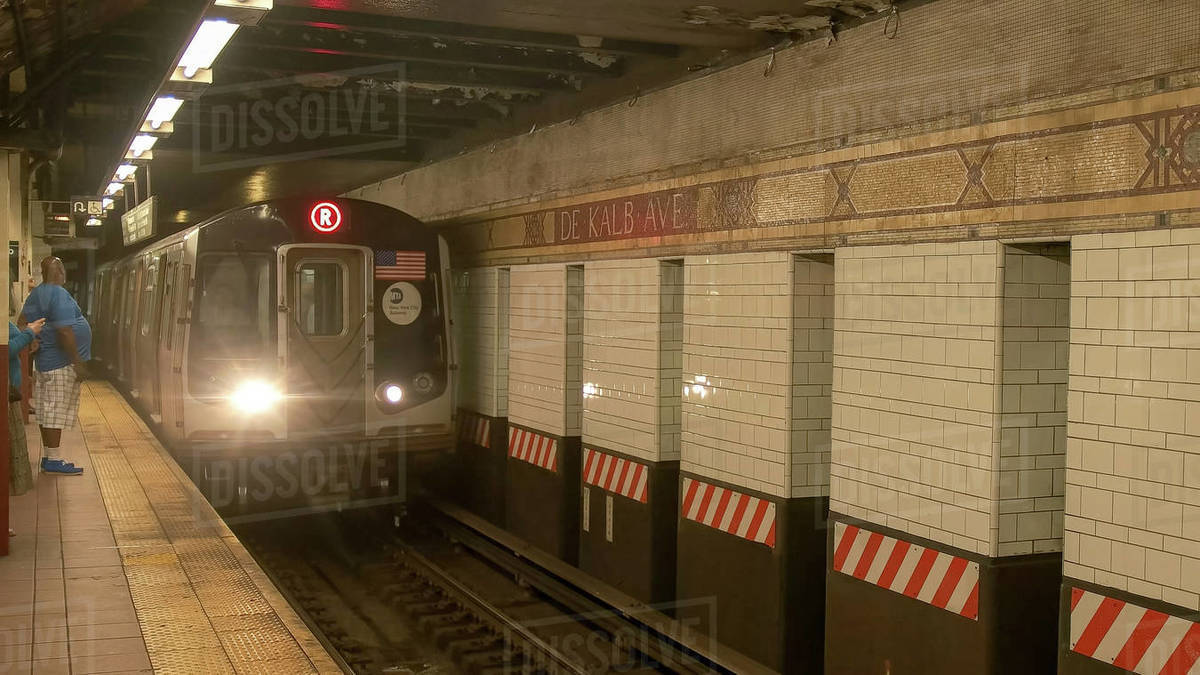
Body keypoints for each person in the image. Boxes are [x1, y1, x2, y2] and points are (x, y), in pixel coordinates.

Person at [20, 256, 91, 476]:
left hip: (46, 362)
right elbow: (65, 331)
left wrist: (31, 338)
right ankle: (54, 460)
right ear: (59, 272)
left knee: (46, 409)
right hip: (60, 363)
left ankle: (50, 457)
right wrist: (77, 362)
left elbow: (21, 321)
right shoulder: (58, 293)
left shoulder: (37, 293)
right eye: (60, 268)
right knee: (54, 411)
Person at [8, 317, 45, 496]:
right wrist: (30, 333)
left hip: (10, 391)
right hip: (6, 393)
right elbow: (7, 349)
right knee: (11, 442)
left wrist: (29, 336)